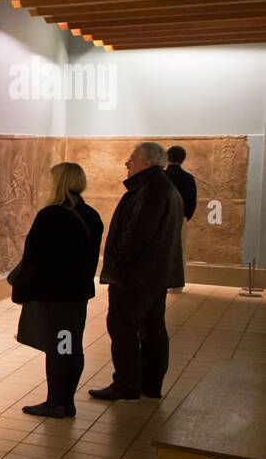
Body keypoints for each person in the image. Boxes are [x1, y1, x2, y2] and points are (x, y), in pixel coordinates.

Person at [89, 142, 185, 401]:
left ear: (147, 162)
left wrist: (118, 261)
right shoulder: (160, 186)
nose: (127, 163)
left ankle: (127, 384)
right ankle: (149, 384)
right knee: (152, 328)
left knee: (122, 326)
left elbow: (138, 233)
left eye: (132, 158)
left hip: (137, 277)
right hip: (153, 276)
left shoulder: (151, 189)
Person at [10, 163, 103, 418]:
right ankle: (66, 400)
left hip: (55, 297)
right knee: (71, 346)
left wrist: (22, 290)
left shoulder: (52, 215)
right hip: (77, 294)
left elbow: (34, 259)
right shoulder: (91, 215)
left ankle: (57, 403)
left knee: (59, 349)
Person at [165, 145, 197, 293]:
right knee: (180, 250)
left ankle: (162, 282)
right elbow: (192, 201)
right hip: (181, 217)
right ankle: (177, 285)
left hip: (162, 216)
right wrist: (186, 216)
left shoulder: (162, 176)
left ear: (167, 157)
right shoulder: (188, 178)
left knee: (161, 248)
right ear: (183, 159)